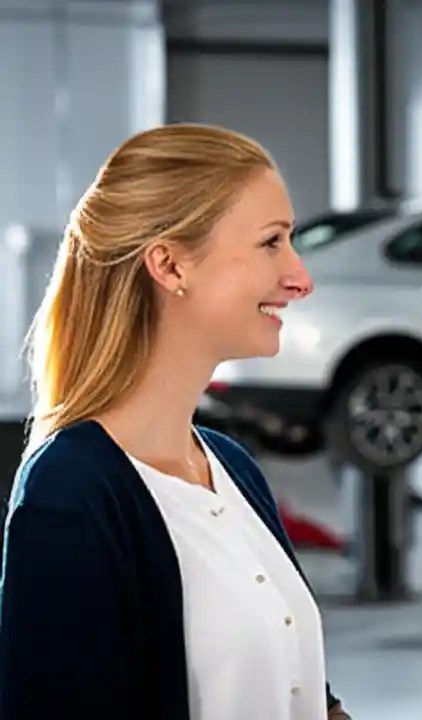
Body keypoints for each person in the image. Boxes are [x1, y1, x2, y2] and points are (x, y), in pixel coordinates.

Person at [0, 124, 351, 719]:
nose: (300, 277)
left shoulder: (230, 466)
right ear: (169, 264)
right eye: (271, 242)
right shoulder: (71, 493)